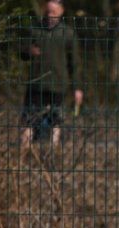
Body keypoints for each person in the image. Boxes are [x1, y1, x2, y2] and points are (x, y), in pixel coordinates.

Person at [20, 0, 83, 149]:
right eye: (48, 12)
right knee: (29, 120)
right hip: (36, 84)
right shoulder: (34, 30)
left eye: (53, 12)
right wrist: (29, 51)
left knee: (56, 121)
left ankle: (53, 152)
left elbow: (75, 63)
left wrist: (77, 88)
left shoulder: (68, 34)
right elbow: (21, 52)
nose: (50, 15)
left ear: (61, 11)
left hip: (58, 85)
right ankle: (23, 153)